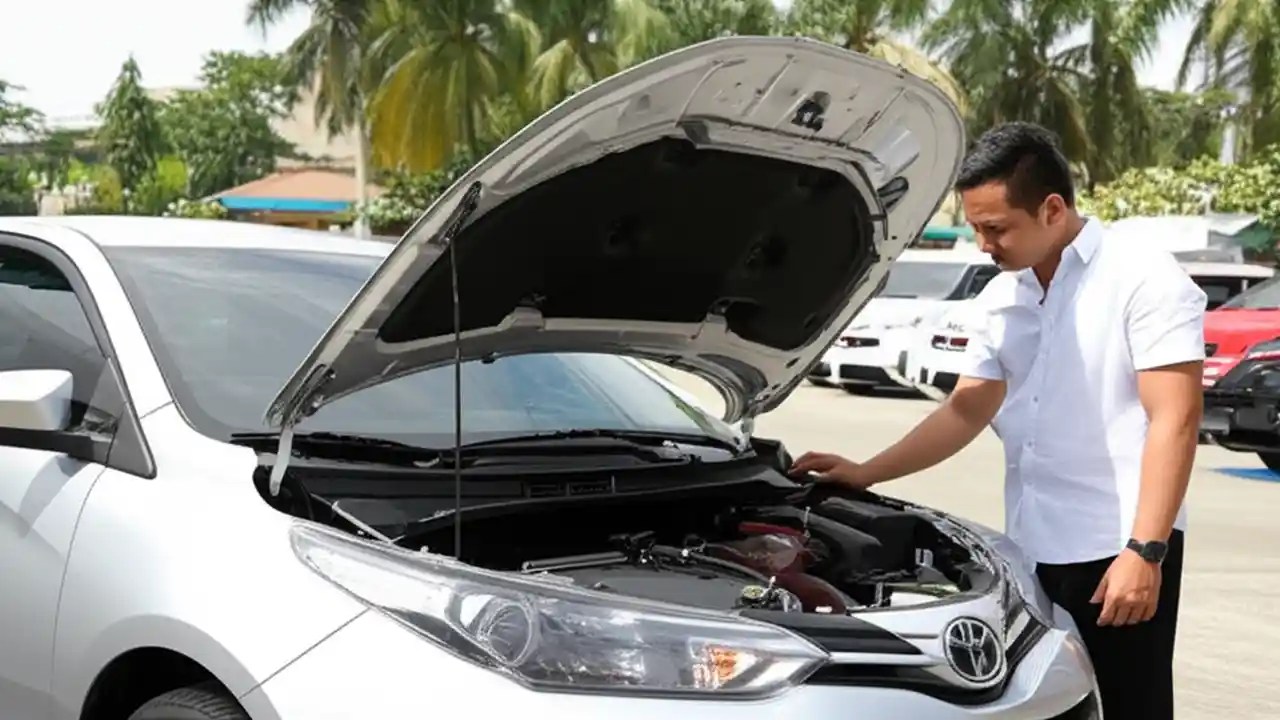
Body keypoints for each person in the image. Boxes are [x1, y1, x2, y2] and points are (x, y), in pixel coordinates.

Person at [793, 121, 1204, 719]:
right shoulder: (1000, 298)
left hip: (1116, 543)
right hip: (1029, 549)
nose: (984, 244)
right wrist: (866, 471)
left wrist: (1145, 550)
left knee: (1133, 707)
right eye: (977, 228)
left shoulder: (1141, 277)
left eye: (996, 228)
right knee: (1047, 707)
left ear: (1053, 209)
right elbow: (965, 410)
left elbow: (1176, 418)